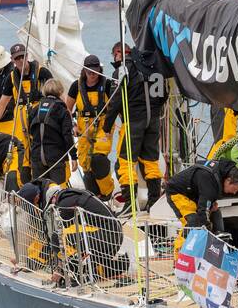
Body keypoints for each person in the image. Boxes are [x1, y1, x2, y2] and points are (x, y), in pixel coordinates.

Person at [17, 179, 127, 280]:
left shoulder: (63, 206)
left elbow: (57, 240)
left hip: (107, 236)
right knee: (68, 241)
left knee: (58, 237)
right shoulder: (67, 197)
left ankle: (69, 273)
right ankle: (116, 266)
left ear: (37, 198)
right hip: (111, 235)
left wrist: (58, 270)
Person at [101, 45, 165, 210]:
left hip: (133, 121)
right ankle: (154, 203)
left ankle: (130, 205)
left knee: (126, 162)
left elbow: (115, 101)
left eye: (115, 56)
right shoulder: (154, 66)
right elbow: (164, 93)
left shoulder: (123, 70)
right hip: (154, 121)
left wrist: (107, 127)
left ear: (119, 53)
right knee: (151, 162)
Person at [0, 43, 53, 181]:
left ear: (27, 56)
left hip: (39, 121)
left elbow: (58, 96)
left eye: (23, 56)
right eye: (17, 58)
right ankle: (24, 187)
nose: (21, 60)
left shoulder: (42, 73)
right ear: (12, 60)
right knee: (22, 157)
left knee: (40, 153)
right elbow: (1, 105)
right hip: (21, 125)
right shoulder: (11, 78)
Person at [164, 158, 238, 257]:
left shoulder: (221, 174)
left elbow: (207, 199)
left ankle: (218, 251)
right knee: (193, 222)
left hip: (194, 194)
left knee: (215, 213)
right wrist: (208, 230)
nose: (234, 193)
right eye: (235, 189)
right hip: (178, 193)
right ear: (228, 180)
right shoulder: (209, 181)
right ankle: (180, 258)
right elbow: (203, 211)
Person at [65, 54, 114, 198]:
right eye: (89, 71)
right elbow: (67, 108)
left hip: (103, 128)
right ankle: (95, 196)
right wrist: (72, 125)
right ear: (84, 71)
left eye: (95, 71)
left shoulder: (107, 85)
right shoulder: (76, 86)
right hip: (83, 128)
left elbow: (115, 106)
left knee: (98, 158)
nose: (92, 74)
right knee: (86, 165)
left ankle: (107, 191)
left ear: (100, 69)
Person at [27, 78, 75, 184]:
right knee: (56, 191)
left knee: (39, 189)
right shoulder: (62, 111)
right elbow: (67, 136)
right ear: (60, 91)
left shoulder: (35, 109)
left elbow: (30, 131)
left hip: (37, 156)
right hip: (55, 157)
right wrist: (74, 157)